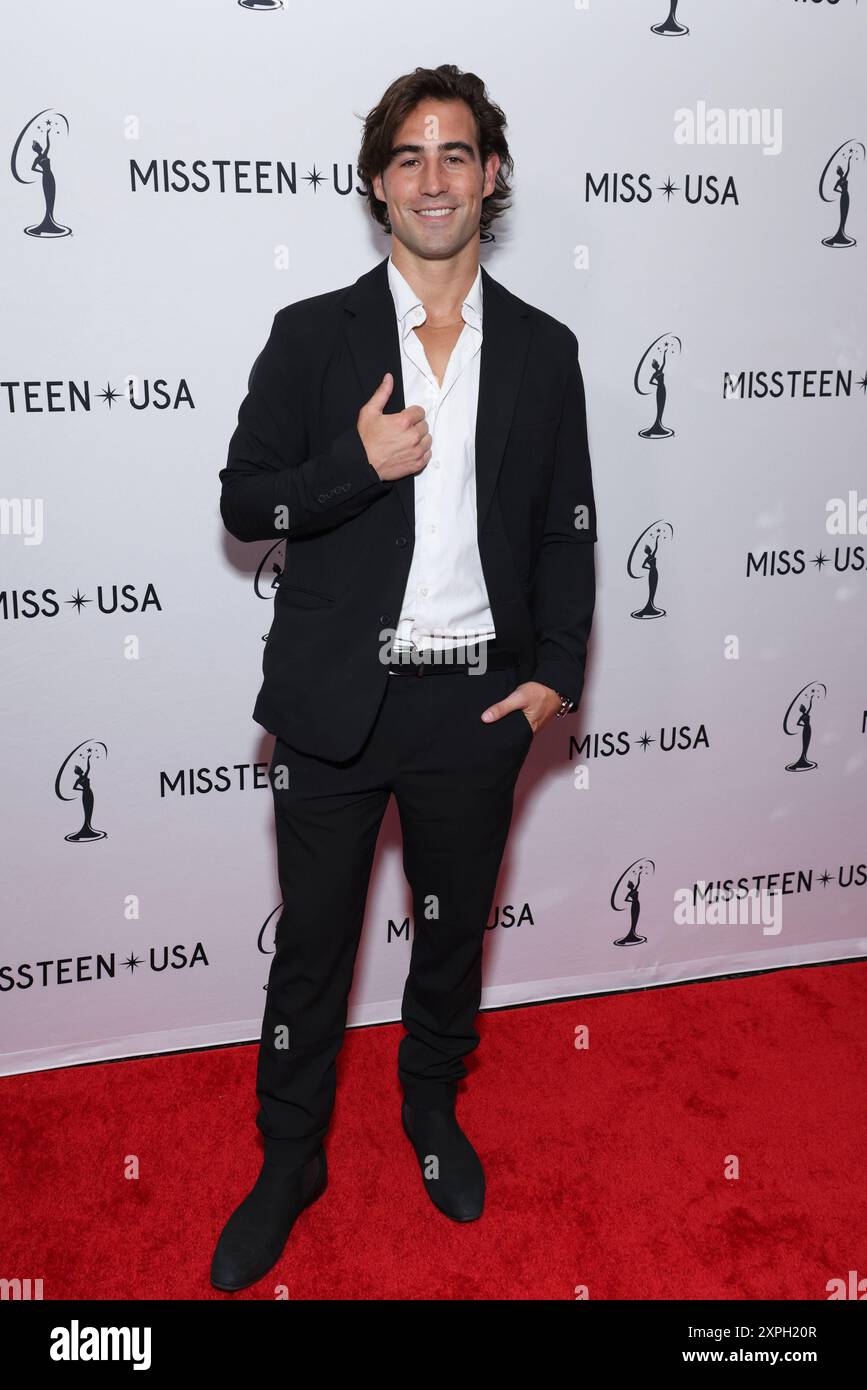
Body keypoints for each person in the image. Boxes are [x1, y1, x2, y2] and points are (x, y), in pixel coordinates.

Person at [212, 63, 597, 1292]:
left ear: (492, 176)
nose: (435, 179)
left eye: (458, 154)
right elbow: (242, 498)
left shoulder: (544, 349)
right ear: (377, 184)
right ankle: (288, 1160)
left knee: (446, 939)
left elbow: (568, 530)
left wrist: (553, 680)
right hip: (333, 703)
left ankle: (430, 1111)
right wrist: (353, 464)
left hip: (472, 707)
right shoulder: (310, 337)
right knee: (311, 952)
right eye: (410, 157)